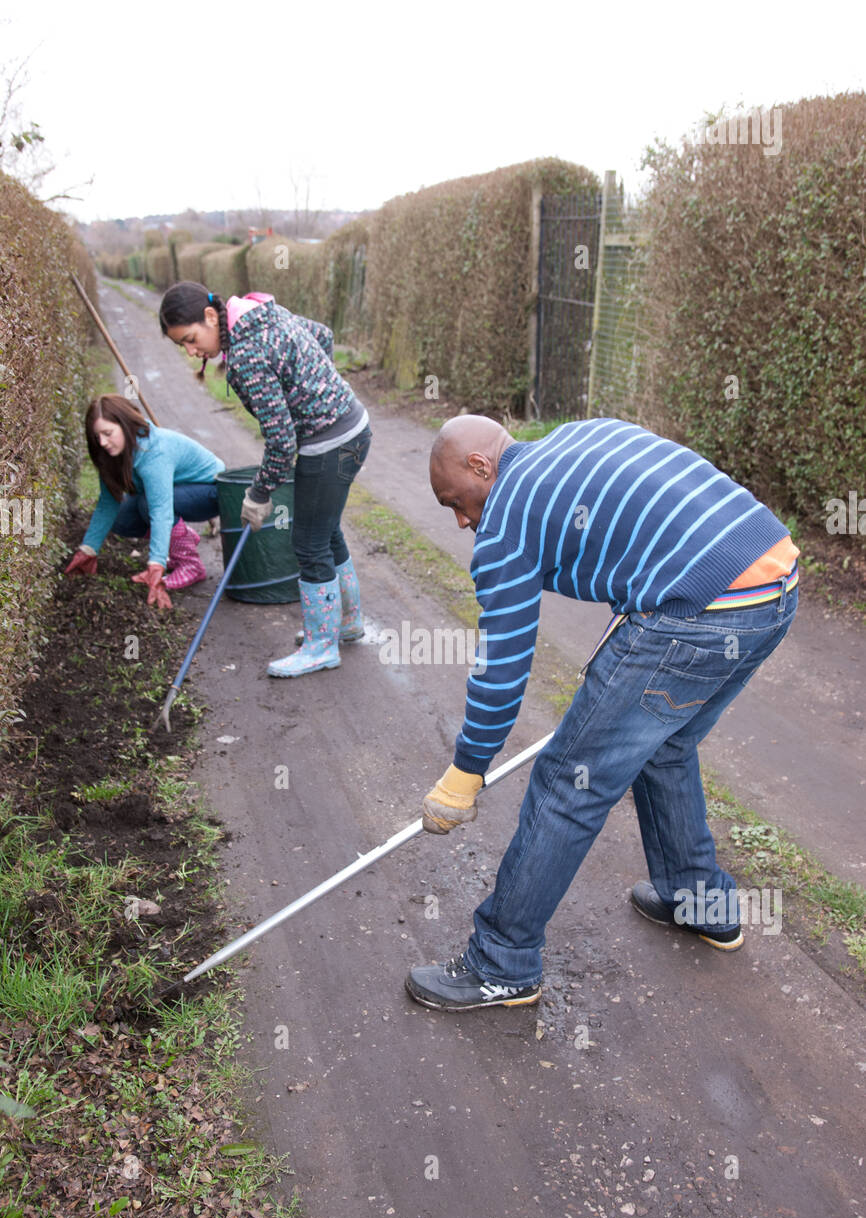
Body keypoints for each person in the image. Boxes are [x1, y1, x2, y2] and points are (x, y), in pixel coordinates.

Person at [406, 415, 800, 1011]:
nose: (462, 521)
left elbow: (503, 666)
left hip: (702, 611)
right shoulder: (576, 435)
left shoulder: (507, 519)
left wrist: (466, 773)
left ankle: (501, 963)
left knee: (570, 781)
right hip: (774, 582)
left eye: (456, 502)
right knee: (664, 746)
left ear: (481, 467)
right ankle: (700, 903)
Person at [158, 282, 371, 676]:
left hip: (329, 444)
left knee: (307, 543)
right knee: (325, 532)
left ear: (209, 317)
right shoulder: (261, 310)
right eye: (182, 347)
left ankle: (322, 646)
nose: (191, 352)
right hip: (352, 428)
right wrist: (317, 388)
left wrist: (259, 494)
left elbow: (280, 439)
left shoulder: (245, 357)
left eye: (190, 339)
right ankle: (346, 622)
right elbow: (322, 334)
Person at [65, 395, 225, 610]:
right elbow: (108, 502)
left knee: (149, 505)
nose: (102, 442)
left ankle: (191, 566)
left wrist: (156, 564)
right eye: (97, 437)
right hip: (177, 494)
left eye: (108, 433)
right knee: (122, 518)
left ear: (125, 425)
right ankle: (181, 538)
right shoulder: (113, 453)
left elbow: (160, 509)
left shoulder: (154, 451)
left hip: (212, 492)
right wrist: (88, 549)